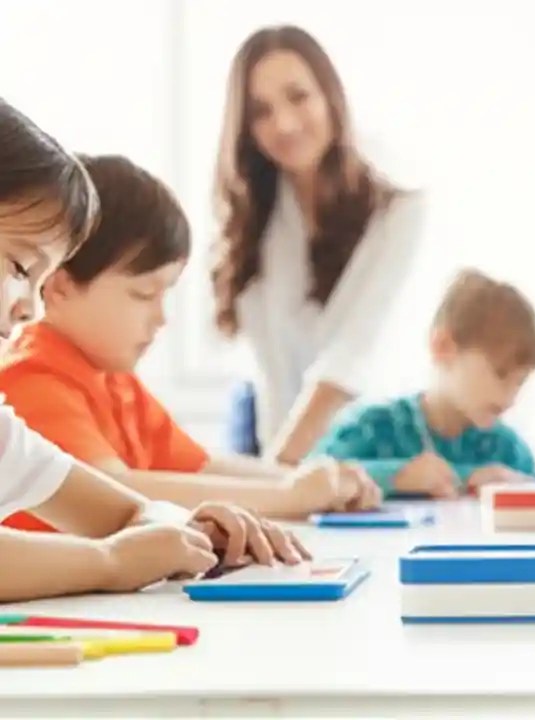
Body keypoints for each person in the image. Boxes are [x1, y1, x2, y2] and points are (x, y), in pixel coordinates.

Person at [0, 98, 305, 602]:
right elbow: (114, 540)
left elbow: (122, 510)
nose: (31, 308)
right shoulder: (37, 374)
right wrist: (110, 560)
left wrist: (190, 528)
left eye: (42, 279)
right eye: (18, 269)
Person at [0, 154, 381, 534]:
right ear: (59, 286)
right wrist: (289, 494)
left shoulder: (112, 377)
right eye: (144, 294)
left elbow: (198, 466)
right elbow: (114, 491)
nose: (162, 318)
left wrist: (306, 480)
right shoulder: (32, 376)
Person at [211, 25, 426, 464]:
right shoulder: (259, 213)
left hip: (377, 447)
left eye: (298, 96)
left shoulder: (398, 206)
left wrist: (280, 471)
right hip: (279, 439)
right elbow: (270, 371)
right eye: (261, 111)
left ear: (330, 95)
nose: (285, 124)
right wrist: (276, 474)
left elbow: (351, 354)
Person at [314, 269, 535, 498]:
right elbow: (308, 480)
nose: (510, 399)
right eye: (501, 374)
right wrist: (395, 476)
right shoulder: (374, 427)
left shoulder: (506, 449)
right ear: (442, 346)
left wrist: (519, 485)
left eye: (520, 382)